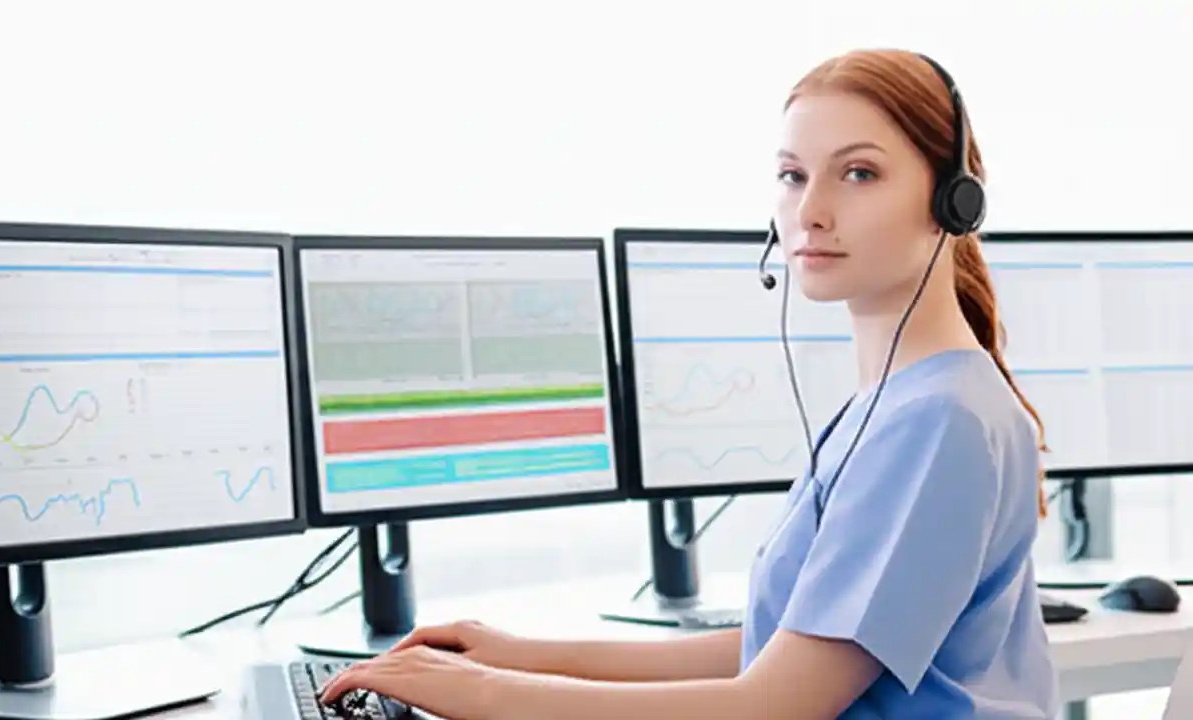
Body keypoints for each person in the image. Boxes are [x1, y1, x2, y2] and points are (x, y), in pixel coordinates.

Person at [320, 47, 1058, 720]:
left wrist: (485, 695)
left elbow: (773, 704)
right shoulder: (905, 400)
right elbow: (779, 653)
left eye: (858, 173)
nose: (810, 212)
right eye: (792, 176)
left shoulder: (937, 421)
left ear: (952, 201)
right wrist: (524, 653)